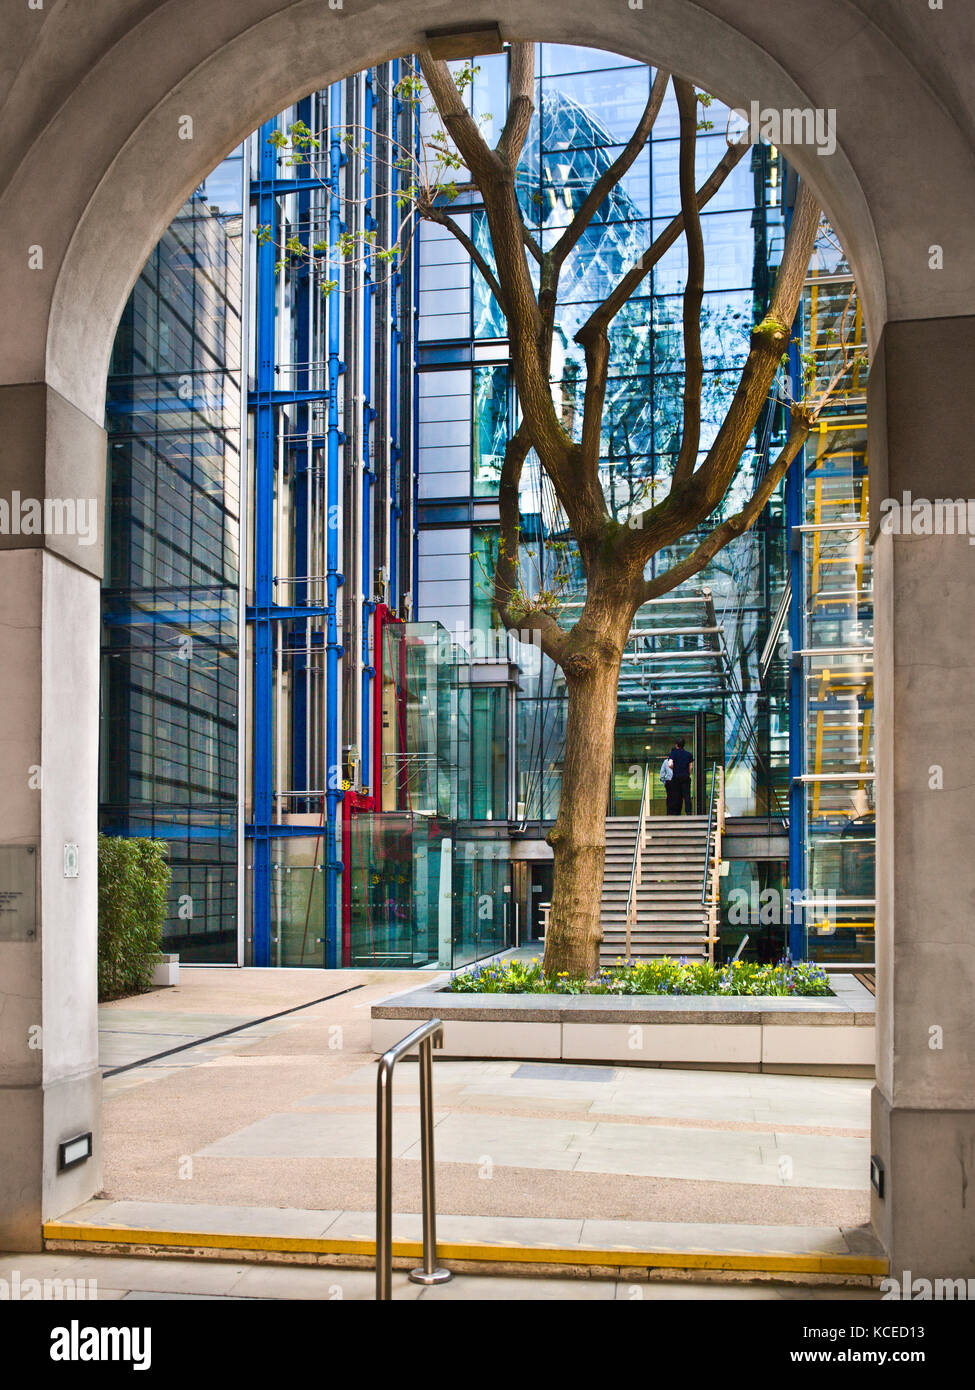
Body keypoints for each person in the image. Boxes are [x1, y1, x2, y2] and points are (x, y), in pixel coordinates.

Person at [665, 737, 693, 815]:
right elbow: (691, 767)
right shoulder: (689, 754)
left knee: (677, 796)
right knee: (687, 795)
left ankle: (677, 812)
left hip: (676, 777)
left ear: (676, 745)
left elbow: (670, 764)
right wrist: (688, 773)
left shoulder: (673, 753)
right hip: (685, 777)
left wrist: (674, 768)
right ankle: (688, 812)